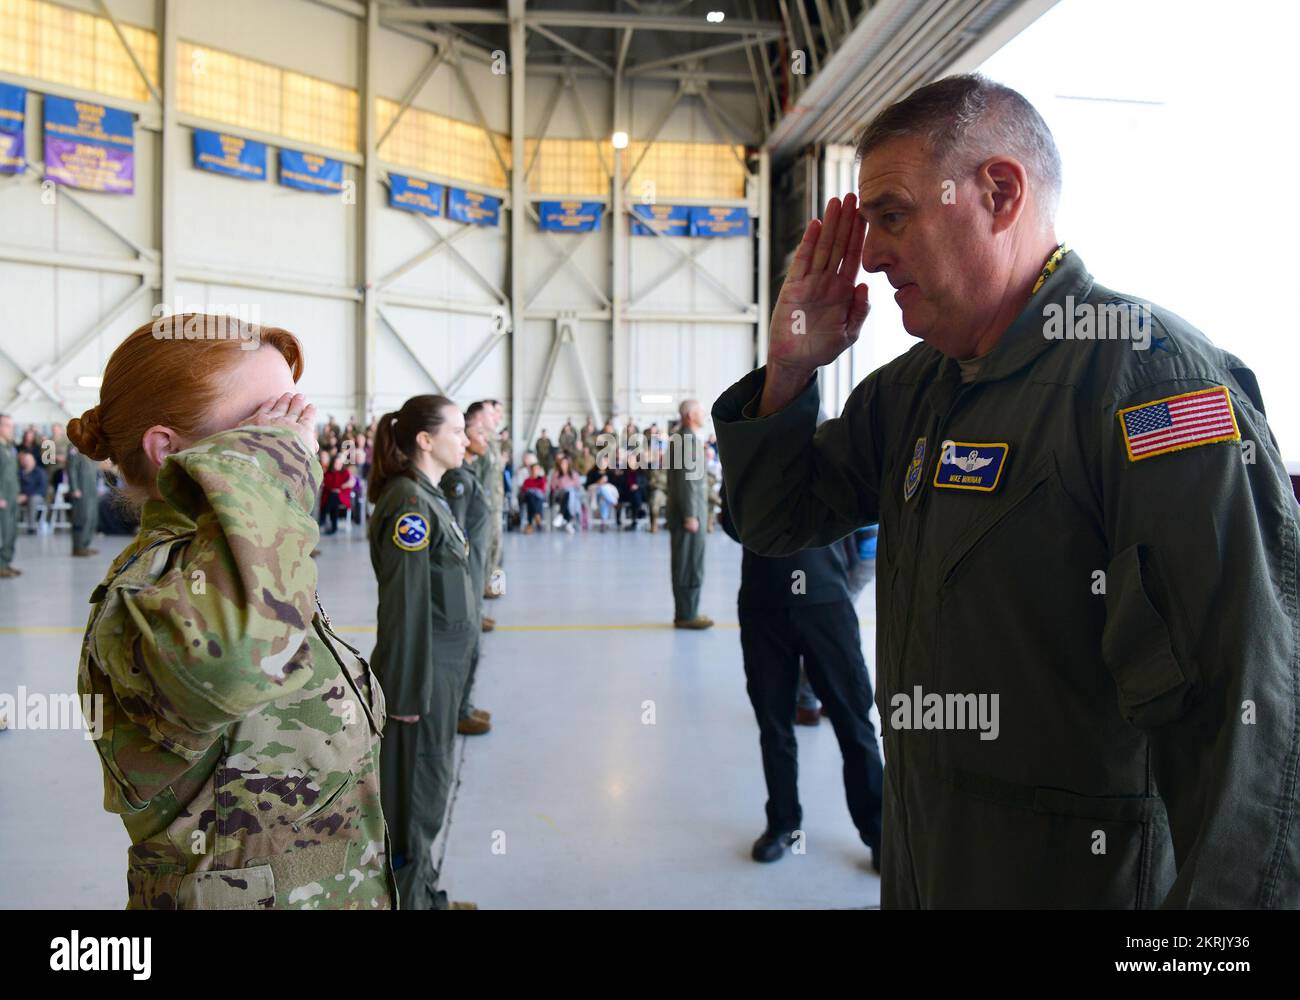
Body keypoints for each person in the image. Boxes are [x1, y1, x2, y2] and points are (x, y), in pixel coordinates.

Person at [713, 74, 1300, 909]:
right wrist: (792, 367)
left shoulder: (1150, 385)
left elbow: (1251, 733)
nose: (872, 255)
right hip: (928, 866)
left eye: (891, 215)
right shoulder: (911, 391)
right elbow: (774, 520)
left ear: (997, 192)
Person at [66, 313, 394, 909]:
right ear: (168, 450)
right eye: (266, 422)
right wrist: (270, 470)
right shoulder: (154, 587)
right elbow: (237, 666)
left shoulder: (247, 559)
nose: (299, 437)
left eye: (295, 416)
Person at [719, 483, 883, 868]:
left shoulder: (829, 448)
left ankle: (878, 829)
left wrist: (845, 583)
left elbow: (865, 524)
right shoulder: (748, 456)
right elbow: (731, 524)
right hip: (764, 603)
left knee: (853, 722)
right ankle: (782, 823)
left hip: (826, 602)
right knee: (774, 725)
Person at [368, 394, 478, 910]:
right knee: (416, 799)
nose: (467, 439)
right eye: (457, 431)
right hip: (422, 681)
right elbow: (406, 607)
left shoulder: (429, 496)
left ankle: (425, 895)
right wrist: (406, 695)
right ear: (425, 441)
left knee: (430, 792)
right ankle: (413, 903)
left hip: (443, 676)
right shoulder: (409, 505)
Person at [442, 400, 494, 734]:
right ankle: (459, 710)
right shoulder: (458, 480)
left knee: (474, 643)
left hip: (476, 572)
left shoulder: (471, 472)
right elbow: (455, 539)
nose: (483, 439)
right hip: (465, 577)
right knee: (467, 643)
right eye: (474, 432)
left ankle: (465, 705)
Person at [666, 400, 712, 629]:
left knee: (690, 561)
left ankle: (688, 610)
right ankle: (686, 614)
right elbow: (688, 482)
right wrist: (691, 514)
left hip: (691, 510)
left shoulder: (685, 439)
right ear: (690, 415)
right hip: (689, 513)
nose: (704, 415)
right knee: (689, 563)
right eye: (701, 412)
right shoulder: (686, 441)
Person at [65, 445, 99, 554]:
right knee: (81, 517)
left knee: (91, 518)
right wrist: (74, 488)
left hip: (91, 489)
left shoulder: (91, 446)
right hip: (81, 489)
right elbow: (71, 469)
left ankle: (85, 545)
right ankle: (77, 547)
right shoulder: (74, 448)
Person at [0, 414, 20, 578]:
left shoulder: (9, 448)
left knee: (11, 530)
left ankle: (6, 563)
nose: (10, 429)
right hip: (2, 497)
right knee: (3, 531)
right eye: (7, 425)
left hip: (12, 495)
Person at [319, 451, 356, 535]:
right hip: (330, 496)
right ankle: (333, 526)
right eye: (336, 463)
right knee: (333, 498)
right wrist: (340, 487)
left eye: (339, 463)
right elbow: (328, 485)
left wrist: (339, 488)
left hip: (342, 497)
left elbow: (348, 486)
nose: (338, 465)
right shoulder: (328, 473)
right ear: (333, 463)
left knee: (334, 496)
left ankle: (324, 517)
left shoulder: (345, 472)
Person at [549, 453, 583, 532]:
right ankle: (569, 520)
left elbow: (578, 487)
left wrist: (570, 489)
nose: (563, 465)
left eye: (565, 463)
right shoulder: (556, 474)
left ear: (569, 464)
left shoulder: (574, 474)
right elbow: (553, 487)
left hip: (572, 496)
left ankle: (562, 516)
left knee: (570, 493)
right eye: (562, 463)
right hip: (559, 495)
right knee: (567, 492)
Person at [16, 450, 48, 533]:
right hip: (21, 496)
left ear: (33, 461)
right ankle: (11, 525)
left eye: (28, 460)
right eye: (25, 460)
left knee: (33, 499)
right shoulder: (19, 472)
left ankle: (31, 527)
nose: (26, 462)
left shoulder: (40, 472)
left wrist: (27, 496)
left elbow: (42, 488)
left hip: (37, 496)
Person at [519, 463, 548, 532]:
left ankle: (530, 524)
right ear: (531, 470)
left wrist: (532, 490)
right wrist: (534, 491)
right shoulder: (527, 480)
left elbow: (542, 490)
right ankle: (537, 517)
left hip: (539, 498)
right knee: (530, 497)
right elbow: (524, 489)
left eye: (537, 469)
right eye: (533, 469)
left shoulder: (541, 480)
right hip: (529, 498)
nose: (535, 471)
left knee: (535, 498)